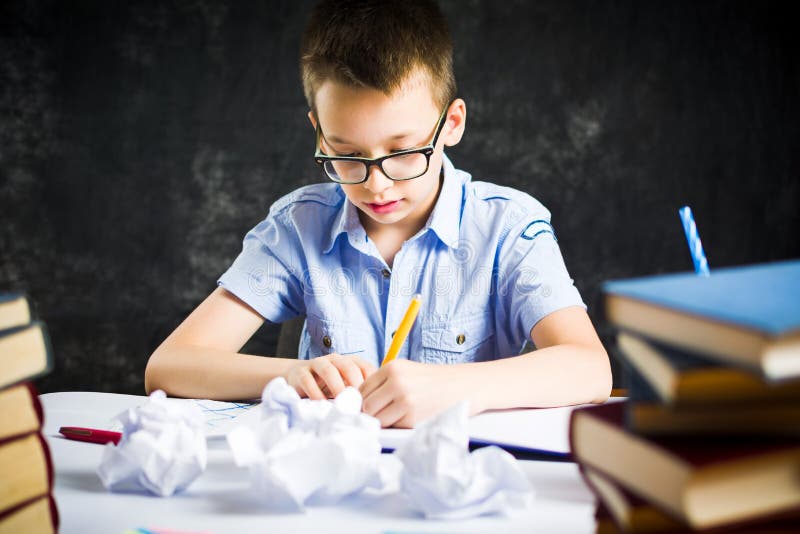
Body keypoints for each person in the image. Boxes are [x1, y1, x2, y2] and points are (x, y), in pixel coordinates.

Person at [145, 0, 612, 428]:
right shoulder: (299, 227)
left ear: (451, 124)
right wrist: (293, 375)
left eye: (404, 151)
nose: (376, 183)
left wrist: (454, 389)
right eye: (345, 154)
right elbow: (170, 366)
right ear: (319, 132)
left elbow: (590, 368)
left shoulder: (506, 229)